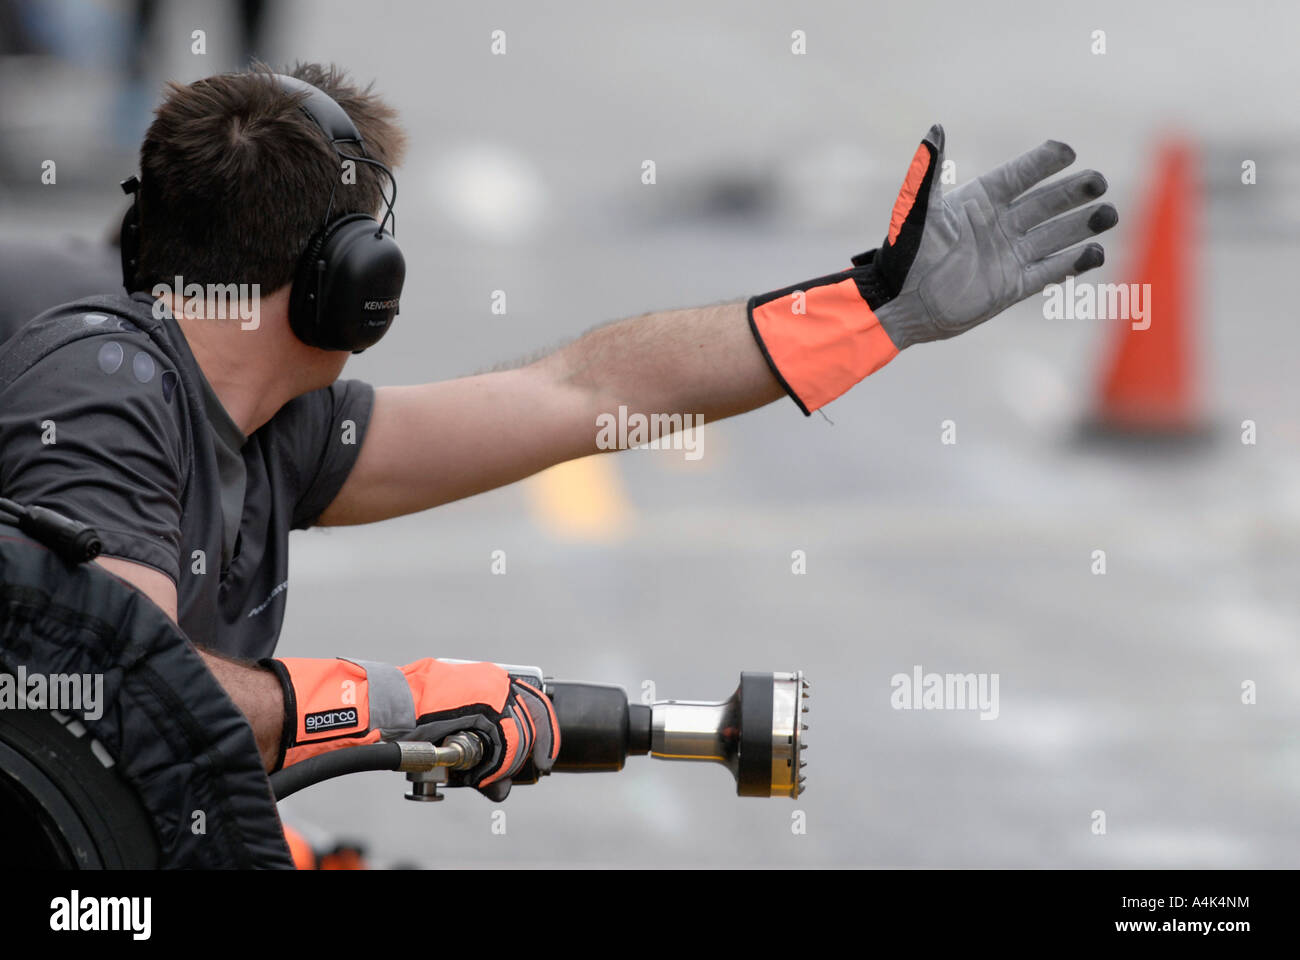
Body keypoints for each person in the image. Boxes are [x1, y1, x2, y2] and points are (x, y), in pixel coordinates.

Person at [0, 62, 1116, 807]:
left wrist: (868, 312)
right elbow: (120, 700)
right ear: (350, 284)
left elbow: (577, 392)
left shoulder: (262, 423)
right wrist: (391, 707)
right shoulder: (106, 391)